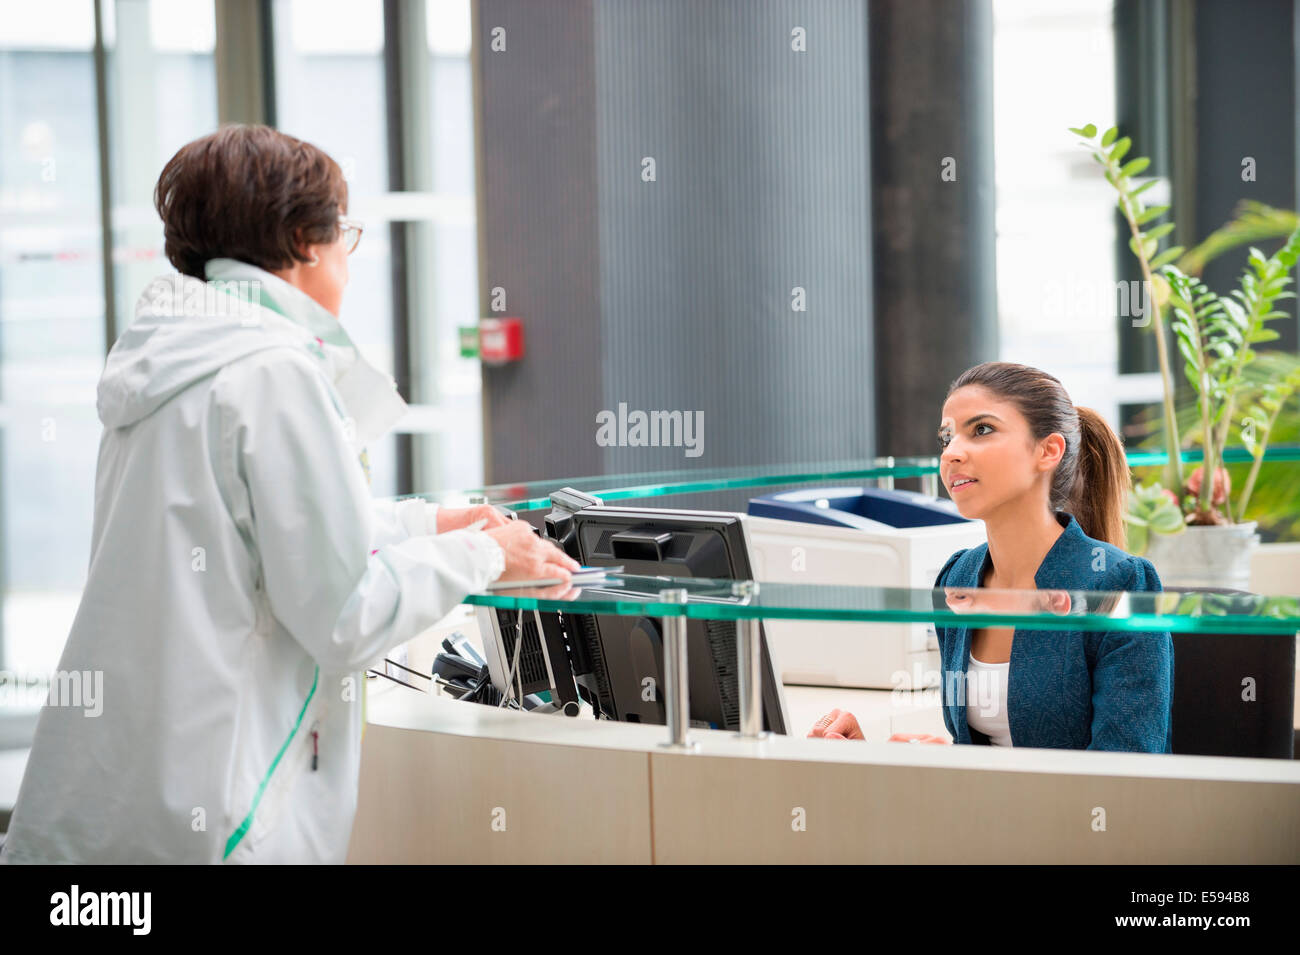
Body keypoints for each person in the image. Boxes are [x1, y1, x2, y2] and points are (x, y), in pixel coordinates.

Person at [1, 125, 578, 864]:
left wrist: (427, 523)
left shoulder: (173, 359)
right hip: (211, 823)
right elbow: (345, 611)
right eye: (346, 234)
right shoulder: (270, 371)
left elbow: (252, 537)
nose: (348, 257)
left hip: (109, 812)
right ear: (307, 240)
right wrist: (481, 556)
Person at [809, 361, 1173, 752]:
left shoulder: (1119, 582)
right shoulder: (958, 579)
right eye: (946, 439)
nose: (952, 454)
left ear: (1048, 450)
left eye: (981, 430)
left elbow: (1127, 773)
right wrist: (880, 753)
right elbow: (985, 751)